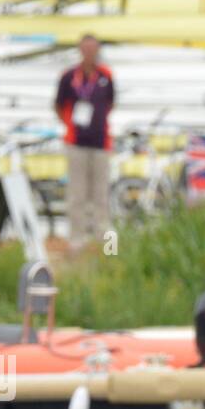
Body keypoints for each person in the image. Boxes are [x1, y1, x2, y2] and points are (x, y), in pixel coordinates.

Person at [55, 34, 115, 251]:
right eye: (86, 49)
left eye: (93, 49)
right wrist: (70, 125)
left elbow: (110, 103)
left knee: (101, 194)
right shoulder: (69, 77)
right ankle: (76, 241)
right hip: (76, 142)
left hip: (101, 143)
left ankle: (104, 241)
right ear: (80, 50)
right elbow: (59, 105)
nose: (90, 53)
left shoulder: (105, 76)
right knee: (77, 193)